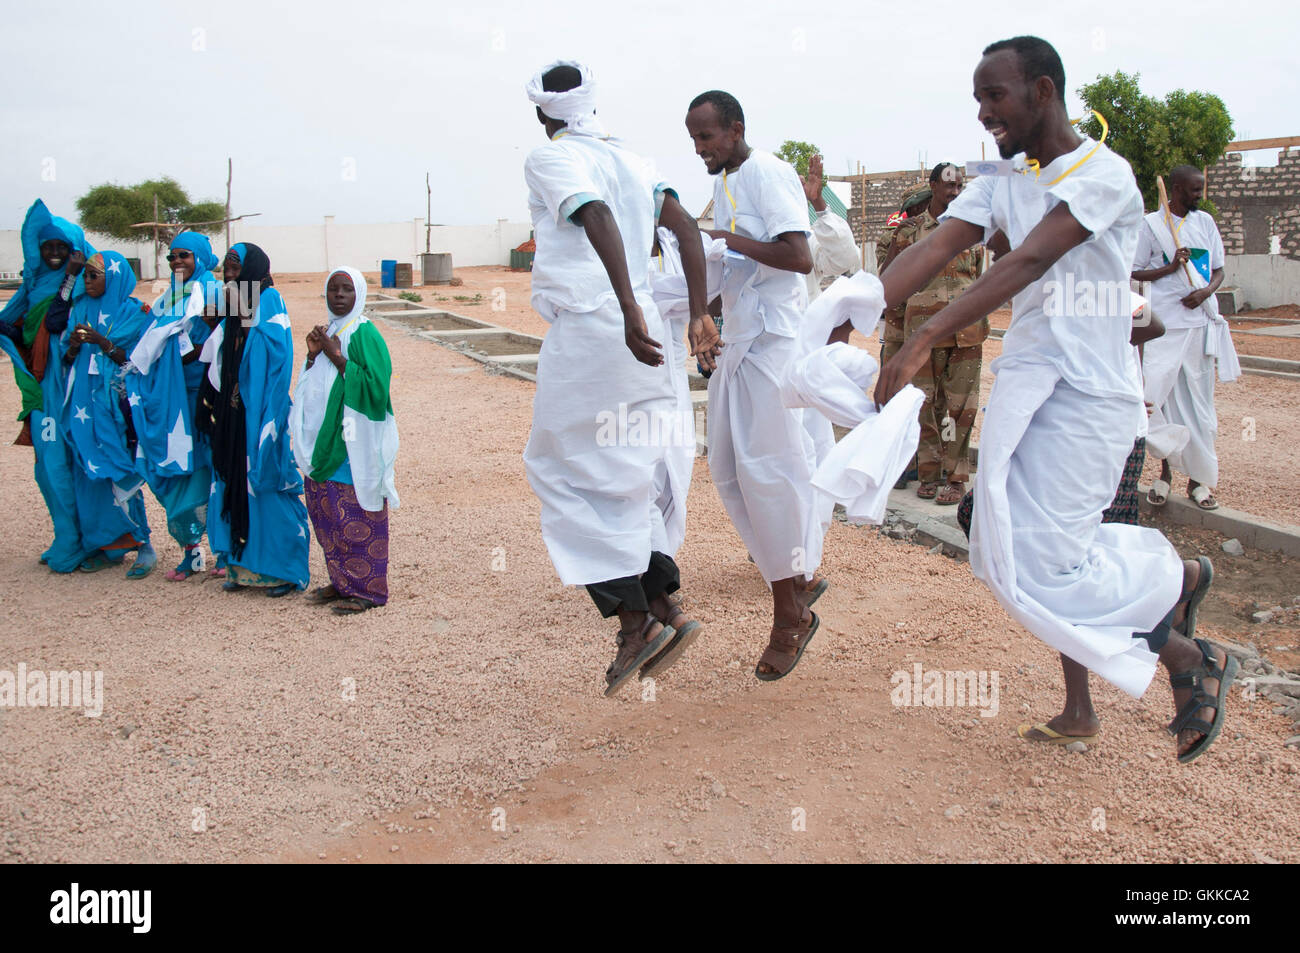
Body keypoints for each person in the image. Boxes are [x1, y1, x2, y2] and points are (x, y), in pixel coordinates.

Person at [868, 36, 1235, 763]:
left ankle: (1187, 654)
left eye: (994, 95)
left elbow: (1034, 254)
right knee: (999, 540)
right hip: (1031, 380)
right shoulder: (1002, 174)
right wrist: (846, 316)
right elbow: (938, 245)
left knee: (1045, 563)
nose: (983, 112)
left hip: (1091, 397)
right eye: (976, 98)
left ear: (1042, 90)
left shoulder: (1107, 173)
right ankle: (1177, 590)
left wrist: (924, 337)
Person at [522, 61, 718, 696]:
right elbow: (686, 230)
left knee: (565, 472)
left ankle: (634, 621)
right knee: (629, 469)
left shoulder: (549, 158)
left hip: (597, 329)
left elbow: (596, 216)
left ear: (543, 111)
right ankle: (665, 604)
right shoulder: (636, 159)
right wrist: (697, 315)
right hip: (647, 334)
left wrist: (629, 308)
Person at [686, 89, 829, 681]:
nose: (699, 150)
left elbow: (798, 256)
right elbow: (731, 270)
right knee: (729, 469)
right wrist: (703, 316)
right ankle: (797, 575)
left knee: (769, 473)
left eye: (706, 138)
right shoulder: (725, 182)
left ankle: (790, 612)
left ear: (735, 128)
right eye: (693, 139)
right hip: (740, 344)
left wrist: (722, 242)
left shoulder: (768, 173)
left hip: (774, 343)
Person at [197, 243, 309, 596]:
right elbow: (214, 336)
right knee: (230, 481)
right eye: (226, 264)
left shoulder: (268, 299)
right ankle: (241, 567)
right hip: (231, 410)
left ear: (252, 266)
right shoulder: (236, 298)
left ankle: (282, 570)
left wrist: (239, 313)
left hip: (260, 408)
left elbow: (277, 353)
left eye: (235, 264)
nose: (229, 270)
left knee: (264, 482)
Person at [288, 267, 399, 613]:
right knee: (327, 515)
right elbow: (313, 386)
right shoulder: (330, 331)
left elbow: (377, 388)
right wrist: (312, 354)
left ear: (359, 295)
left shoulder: (364, 334)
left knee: (356, 515)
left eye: (346, 290)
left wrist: (338, 358)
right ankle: (342, 582)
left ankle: (368, 591)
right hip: (325, 441)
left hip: (353, 445)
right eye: (333, 289)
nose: (338, 295)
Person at [881, 162, 988, 505]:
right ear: (933, 187)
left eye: (959, 186)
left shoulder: (974, 230)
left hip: (966, 332)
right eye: (949, 186)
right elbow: (891, 278)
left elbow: (978, 276)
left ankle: (955, 477)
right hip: (922, 332)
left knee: (961, 408)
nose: (955, 192)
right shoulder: (909, 232)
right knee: (924, 405)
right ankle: (929, 473)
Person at [1133, 164, 1237, 511]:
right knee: (1155, 401)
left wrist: (1206, 291)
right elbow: (1132, 272)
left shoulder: (1204, 223)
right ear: (1175, 189)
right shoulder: (1150, 226)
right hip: (1164, 326)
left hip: (1198, 326)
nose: (1199, 196)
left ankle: (1199, 482)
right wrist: (1170, 268)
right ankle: (1164, 475)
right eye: (1194, 190)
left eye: (1201, 189)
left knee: (1199, 407)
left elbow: (1219, 269)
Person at [0, 199, 97, 571]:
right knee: (47, 466)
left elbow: (57, 323)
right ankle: (66, 536)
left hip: (69, 392)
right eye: (48, 247)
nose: (55, 254)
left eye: (63, 248)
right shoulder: (33, 285)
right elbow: (15, 325)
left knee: (62, 464)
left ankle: (79, 543)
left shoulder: (83, 285)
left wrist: (72, 275)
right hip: (43, 389)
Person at [125, 231, 224, 581]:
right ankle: (191, 551)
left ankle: (224, 553)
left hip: (202, 396)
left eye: (184, 255)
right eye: (172, 257)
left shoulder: (211, 292)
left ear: (199, 257)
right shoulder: (168, 298)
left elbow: (222, 339)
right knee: (173, 472)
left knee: (207, 472)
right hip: (167, 397)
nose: (177, 262)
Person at [55, 251, 156, 577]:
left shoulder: (135, 313)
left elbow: (137, 360)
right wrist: (72, 346)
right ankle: (107, 547)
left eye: (93, 276)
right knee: (87, 477)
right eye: (84, 276)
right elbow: (66, 359)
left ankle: (144, 544)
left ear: (112, 277)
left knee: (120, 470)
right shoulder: (81, 308)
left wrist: (102, 342)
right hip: (83, 407)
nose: (88, 282)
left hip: (114, 409)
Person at [801, 152, 861, 466]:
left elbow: (845, 260)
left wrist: (819, 205)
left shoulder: (804, 243)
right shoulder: (739, 238)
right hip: (755, 366)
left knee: (811, 451)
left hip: (803, 364)